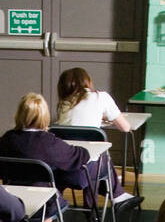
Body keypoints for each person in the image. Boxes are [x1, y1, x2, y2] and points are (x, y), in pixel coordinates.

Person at [0, 92, 103, 209]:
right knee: (54, 201)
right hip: (42, 199)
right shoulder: (49, 143)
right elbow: (79, 156)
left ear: (19, 114)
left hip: (9, 197)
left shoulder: (6, 140)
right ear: (44, 116)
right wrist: (83, 150)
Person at [55, 67, 134, 205]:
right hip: (88, 171)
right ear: (88, 82)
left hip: (63, 171)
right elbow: (125, 127)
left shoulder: (62, 105)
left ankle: (116, 196)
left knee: (88, 154)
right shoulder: (101, 97)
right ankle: (116, 196)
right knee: (100, 154)